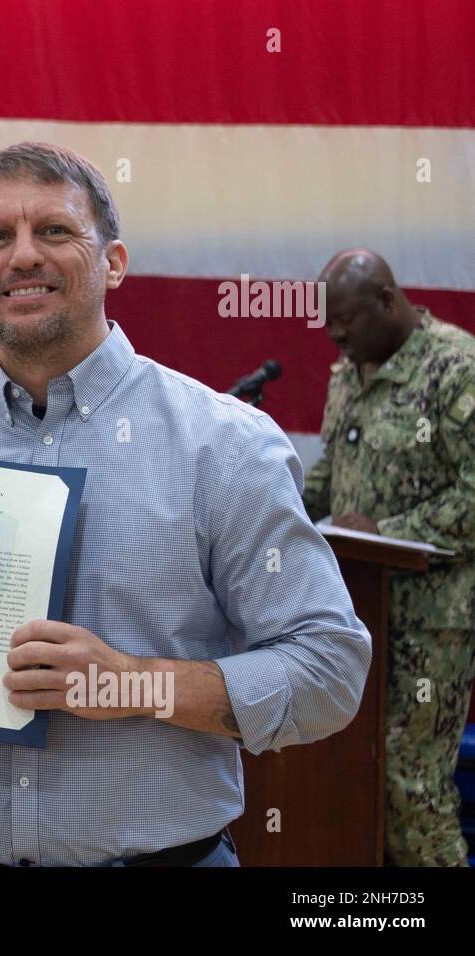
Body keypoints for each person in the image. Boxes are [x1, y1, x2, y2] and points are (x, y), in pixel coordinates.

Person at [0, 142, 372, 866]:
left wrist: (132, 682)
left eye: (54, 231)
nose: (23, 256)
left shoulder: (223, 446)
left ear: (113, 262)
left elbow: (330, 669)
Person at [302, 248, 475, 866]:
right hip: (353, 614)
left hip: (428, 625)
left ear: (387, 300)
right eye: (328, 325)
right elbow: (332, 472)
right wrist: (283, 510)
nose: (337, 335)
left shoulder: (456, 369)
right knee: (349, 785)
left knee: (412, 795)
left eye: (345, 319)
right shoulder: (351, 369)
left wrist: (387, 531)